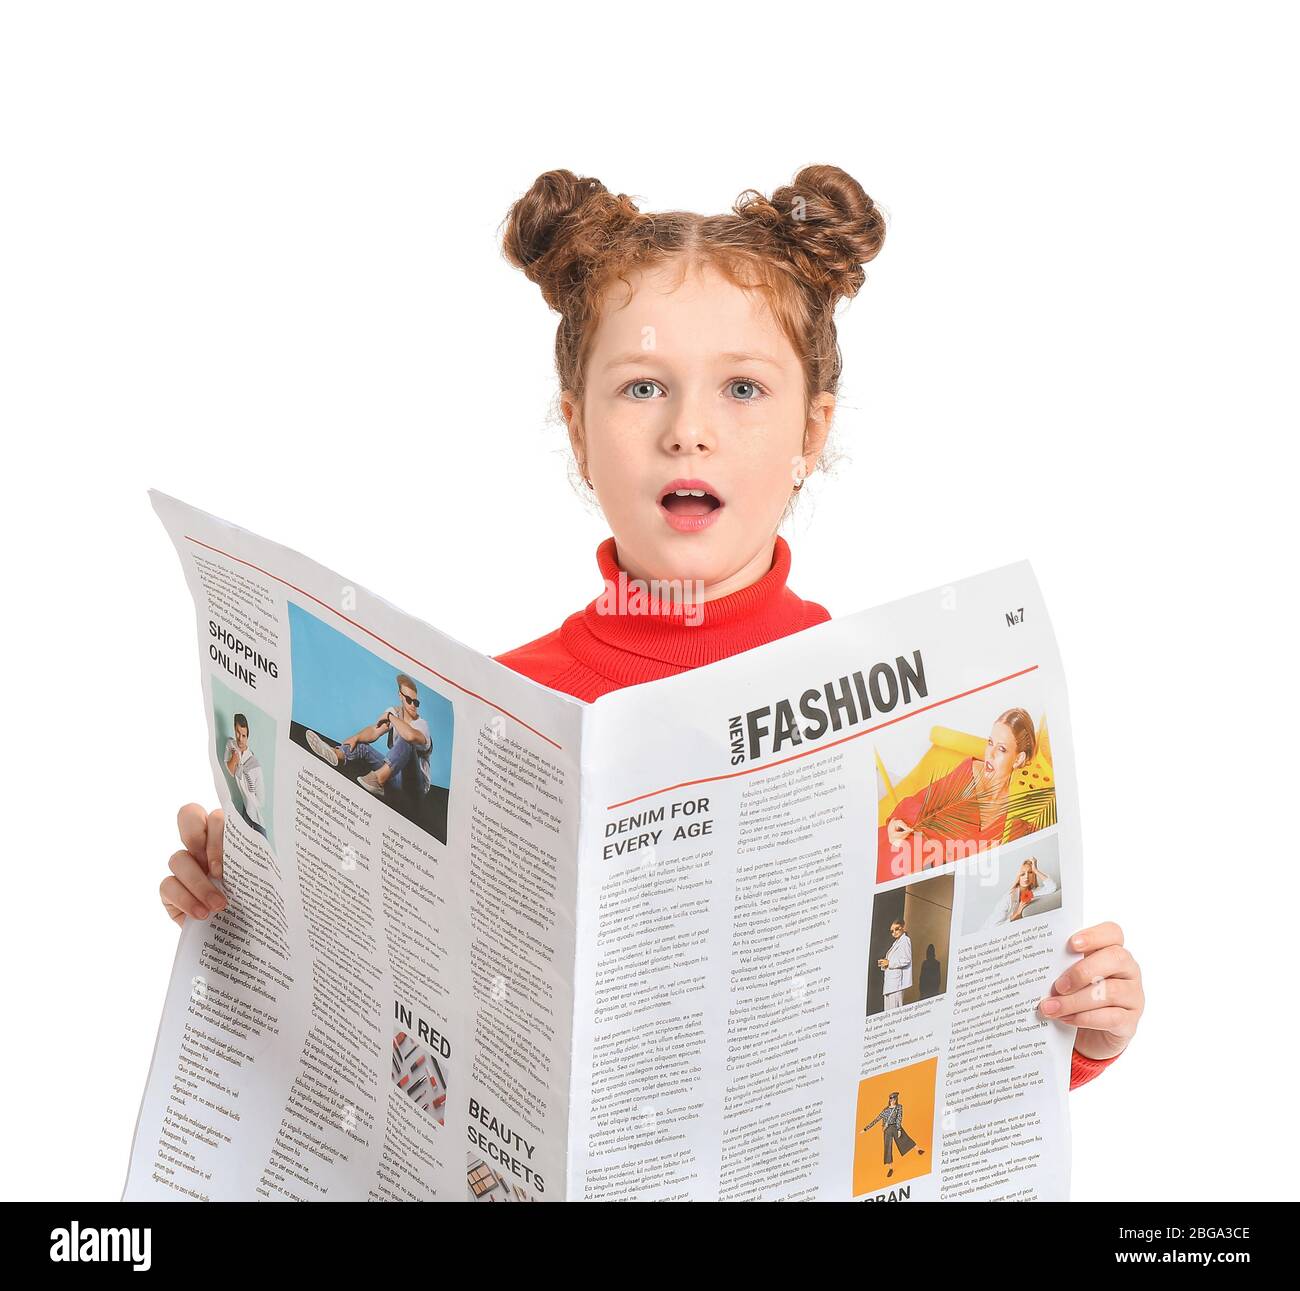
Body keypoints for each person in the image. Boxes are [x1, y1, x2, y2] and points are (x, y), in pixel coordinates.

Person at [157, 165, 1144, 1093]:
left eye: (742, 388)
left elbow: (930, 1023)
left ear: (811, 433)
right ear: (580, 432)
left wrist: (1079, 1032)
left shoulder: (892, 718)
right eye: (641, 387)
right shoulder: (497, 703)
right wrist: (248, 889)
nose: (688, 429)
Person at [879, 707, 1045, 875]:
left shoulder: (1021, 810)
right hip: (910, 851)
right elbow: (922, 801)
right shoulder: (970, 771)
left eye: (1001, 749)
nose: (990, 754)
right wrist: (894, 823)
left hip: (943, 879)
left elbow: (1019, 861)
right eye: (990, 743)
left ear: (1018, 759)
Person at [302, 673, 432, 802]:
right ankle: (336, 753)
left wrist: (390, 717)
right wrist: (356, 737)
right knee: (362, 745)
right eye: (409, 700)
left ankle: (378, 781)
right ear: (400, 696)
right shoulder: (396, 712)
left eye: (416, 702)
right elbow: (374, 731)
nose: (413, 705)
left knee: (407, 741)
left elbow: (409, 735)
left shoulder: (421, 725)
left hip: (414, 786)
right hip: (393, 773)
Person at [861, 1091, 926, 1178]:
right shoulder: (885, 1110)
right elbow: (876, 1119)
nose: (893, 1100)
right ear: (889, 1099)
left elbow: (899, 1118)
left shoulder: (899, 1107)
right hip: (887, 1130)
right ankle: (890, 1168)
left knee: (905, 1138)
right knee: (887, 1147)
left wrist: (899, 1129)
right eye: (891, 1098)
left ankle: (918, 1150)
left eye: (894, 1098)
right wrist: (865, 1129)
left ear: (896, 1099)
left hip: (895, 1126)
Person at [983, 856, 1059, 930]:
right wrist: (1017, 914)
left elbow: (1052, 887)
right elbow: (994, 927)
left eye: (1030, 873)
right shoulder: (1009, 897)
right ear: (1018, 877)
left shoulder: (1034, 892)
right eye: (1022, 874)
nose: (1026, 877)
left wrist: (1036, 870)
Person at [223, 713, 266, 838]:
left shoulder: (254, 764)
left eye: (244, 735)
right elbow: (230, 771)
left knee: (261, 836)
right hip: (241, 806)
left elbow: (261, 801)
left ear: (248, 736)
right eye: (238, 733)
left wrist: (250, 797)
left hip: (253, 810)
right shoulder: (231, 745)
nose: (240, 739)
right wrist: (235, 758)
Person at [878, 919, 912, 1010]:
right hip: (890, 983)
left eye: (897, 929)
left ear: (903, 927)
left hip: (896, 984)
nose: (894, 932)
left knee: (894, 1011)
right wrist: (885, 963)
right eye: (892, 931)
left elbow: (906, 959)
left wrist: (889, 963)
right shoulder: (896, 942)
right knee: (888, 1011)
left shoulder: (905, 940)